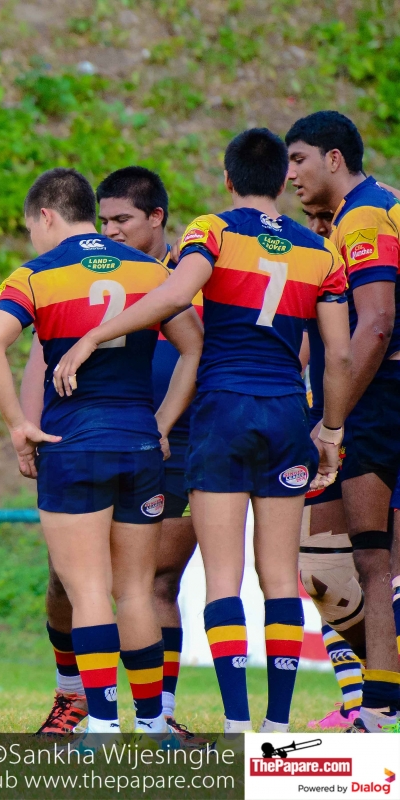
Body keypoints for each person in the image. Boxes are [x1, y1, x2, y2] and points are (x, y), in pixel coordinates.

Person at [52, 129, 352, 738]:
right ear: (280, 181)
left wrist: (89, 338)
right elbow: (338, 355)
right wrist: (332, 429)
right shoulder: (321, 255)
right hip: (286, 414)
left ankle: (238, 721)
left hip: (221, 414)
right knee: (277, 578)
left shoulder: (212, 231)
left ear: (227, 178)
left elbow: (173, 294)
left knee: (222, 579)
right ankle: (275, 726)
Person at [0, 168, 203, 749]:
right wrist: (163, 422)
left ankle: (101, 724)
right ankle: (153, 724)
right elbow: (194, 345)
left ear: (46, 217)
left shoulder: (36, 275)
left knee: (87, 593)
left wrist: (19, 424)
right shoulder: (152, 269)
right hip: (139, 443)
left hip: (72, 445)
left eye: (31, 227)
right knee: (135, 589)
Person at [286, 111, 400, 732]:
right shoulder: (380, 207)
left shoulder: (363, 217)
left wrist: (332, 420)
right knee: (363, 567)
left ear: (334, 158)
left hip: (377, 398)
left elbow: (376, 323)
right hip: (375, 393)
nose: (290, 173)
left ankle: (376, 713)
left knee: (373, 563)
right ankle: (375, 709)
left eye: (299, 159)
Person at [297, 202, 368, 730]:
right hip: (319, 434)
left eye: (327, 218)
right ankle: (357, 698)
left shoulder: (372, 265)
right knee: (323, 575)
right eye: (313, 219)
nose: (320, 227)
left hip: (367, 430)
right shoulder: (311, 269)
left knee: (371, 571)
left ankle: (374, 698)